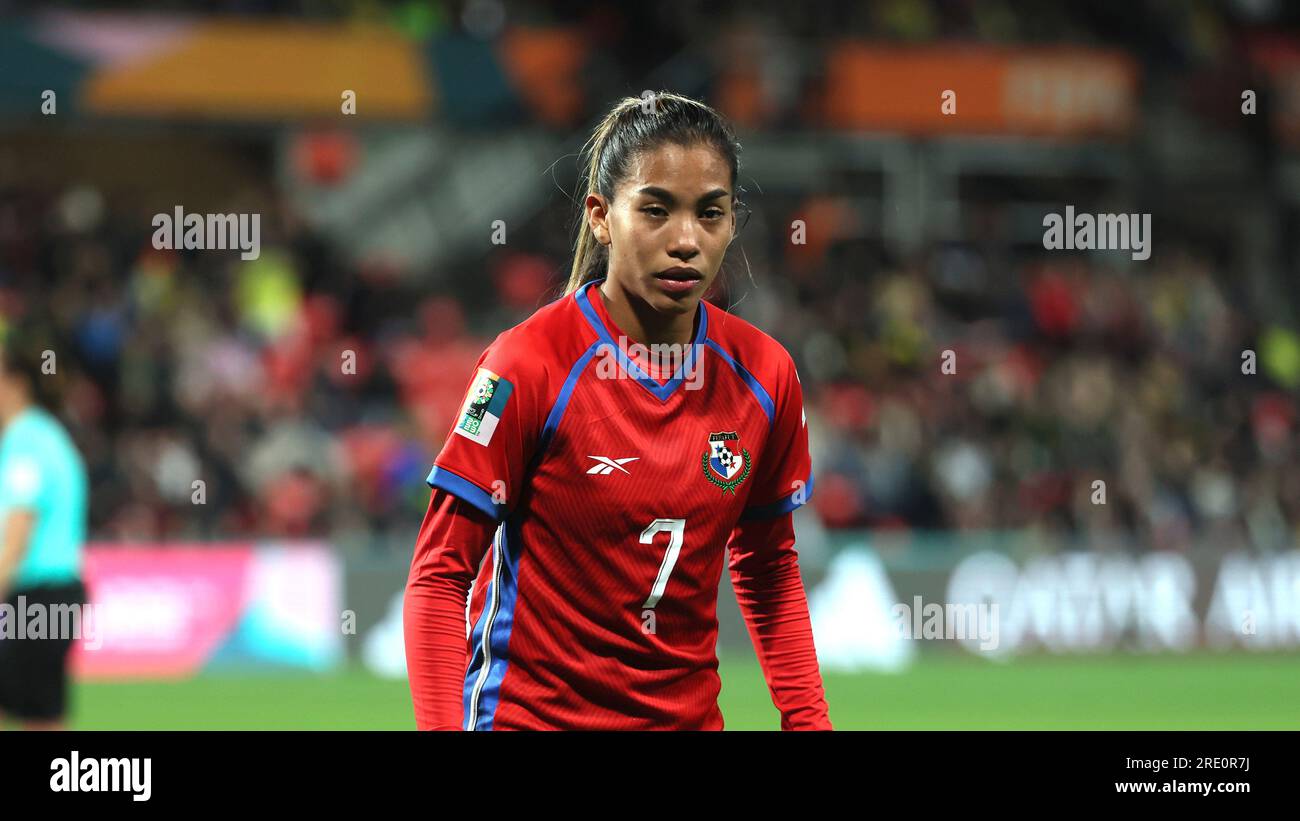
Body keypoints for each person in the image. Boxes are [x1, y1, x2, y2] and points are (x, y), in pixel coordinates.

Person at [404, 92, 831, 730]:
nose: (685, 240)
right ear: (602, 218)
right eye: (655, 210)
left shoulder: (766, 375)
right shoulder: (527, 365)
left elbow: (768, 567)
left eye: (709, 213)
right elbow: (438, 577)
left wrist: (810, 724)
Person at [0, 330, 90, 730]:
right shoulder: (49, 436)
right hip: (54, 594)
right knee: (43, 714)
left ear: (14, 382)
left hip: (36, 595)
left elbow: (18, 531)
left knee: (36, 713)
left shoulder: (26, 442)